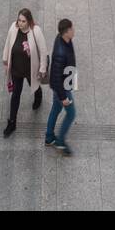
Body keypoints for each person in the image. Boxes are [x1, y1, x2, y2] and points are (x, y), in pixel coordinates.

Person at [2, 9, 48, 138]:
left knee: (34, 86)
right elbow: (7, 44)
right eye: (19, 20)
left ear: (29, 21)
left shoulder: (36, 31)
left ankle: (38, 96)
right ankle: (12, 122)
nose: (20, 23)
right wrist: (6, 61)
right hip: (16, 70)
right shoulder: (13, 27)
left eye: (23, 21)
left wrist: (42, 68)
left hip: (30, 70)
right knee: (15, 95)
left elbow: (43, 51)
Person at [45, 18, 76, 155]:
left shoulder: (64, 40)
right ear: (66, 32)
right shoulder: (60, 52)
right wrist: (63, 97)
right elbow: (57, 77)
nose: (74, 30)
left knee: (56, 109)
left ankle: (49, 137)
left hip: (65, 82)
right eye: (72, 29)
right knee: (71, 113)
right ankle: (60, 142)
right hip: (62, 88)